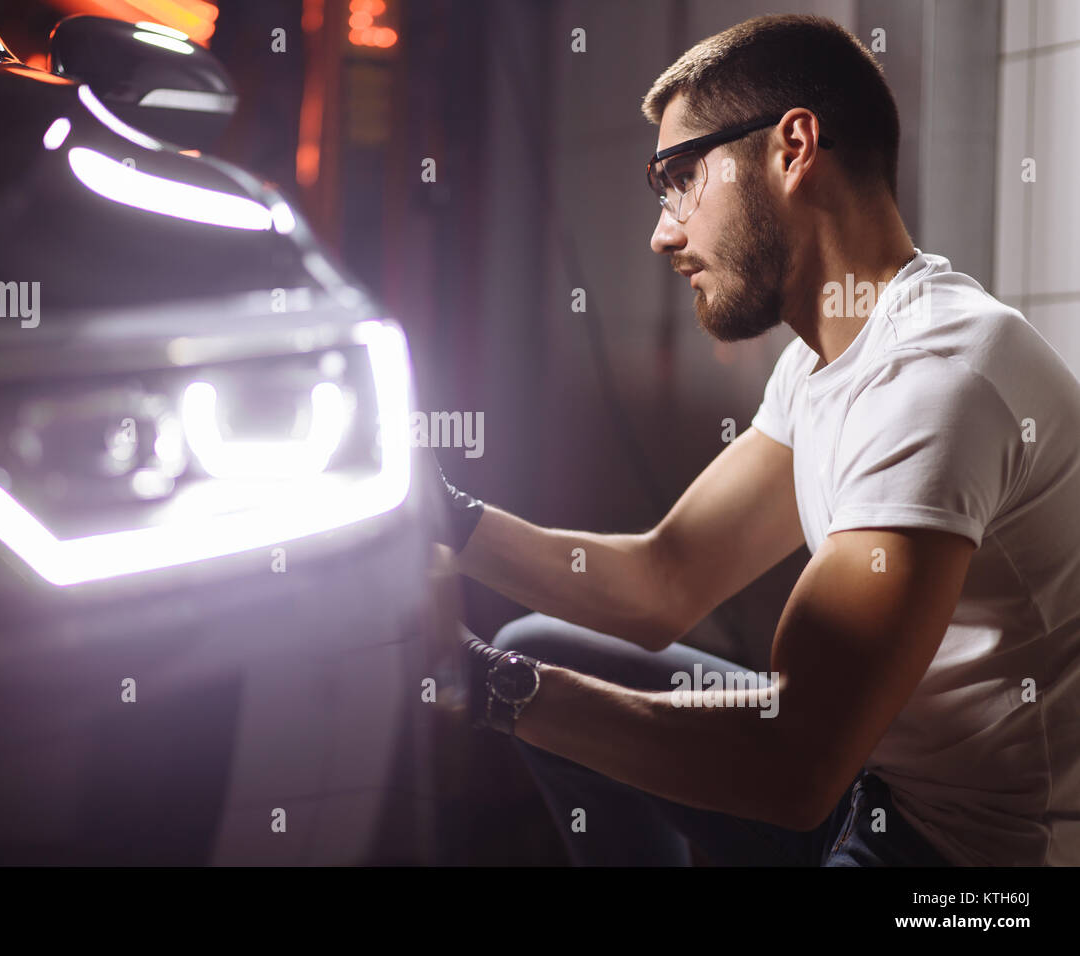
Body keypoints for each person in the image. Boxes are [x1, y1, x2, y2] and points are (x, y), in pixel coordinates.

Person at [436, 13, 1080, 867]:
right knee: (537, 649)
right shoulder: (831, 355)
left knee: (525, 674)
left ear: (793, 147)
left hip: (967, 868)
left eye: (681, 179)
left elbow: (792, 766)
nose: (664, 232)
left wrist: (483, 688)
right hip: (863, 787)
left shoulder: (937, 375)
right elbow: (661, 583)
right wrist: (441, 517)